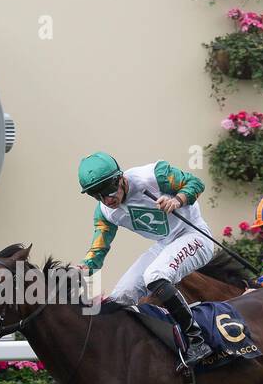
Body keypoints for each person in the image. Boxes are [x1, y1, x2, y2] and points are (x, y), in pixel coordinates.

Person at [76, 151, 216, 367]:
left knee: (155, 275)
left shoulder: (154, 175)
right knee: (119, 297)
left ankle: (197, 341)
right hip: (164, 245)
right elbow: (99, 247)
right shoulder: (105, 212)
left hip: (194, 234)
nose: (107, 200)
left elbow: (194, 182)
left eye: (108, 191)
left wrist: (177, 200)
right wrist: (85, 267)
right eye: (97, 195)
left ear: (120, 178)